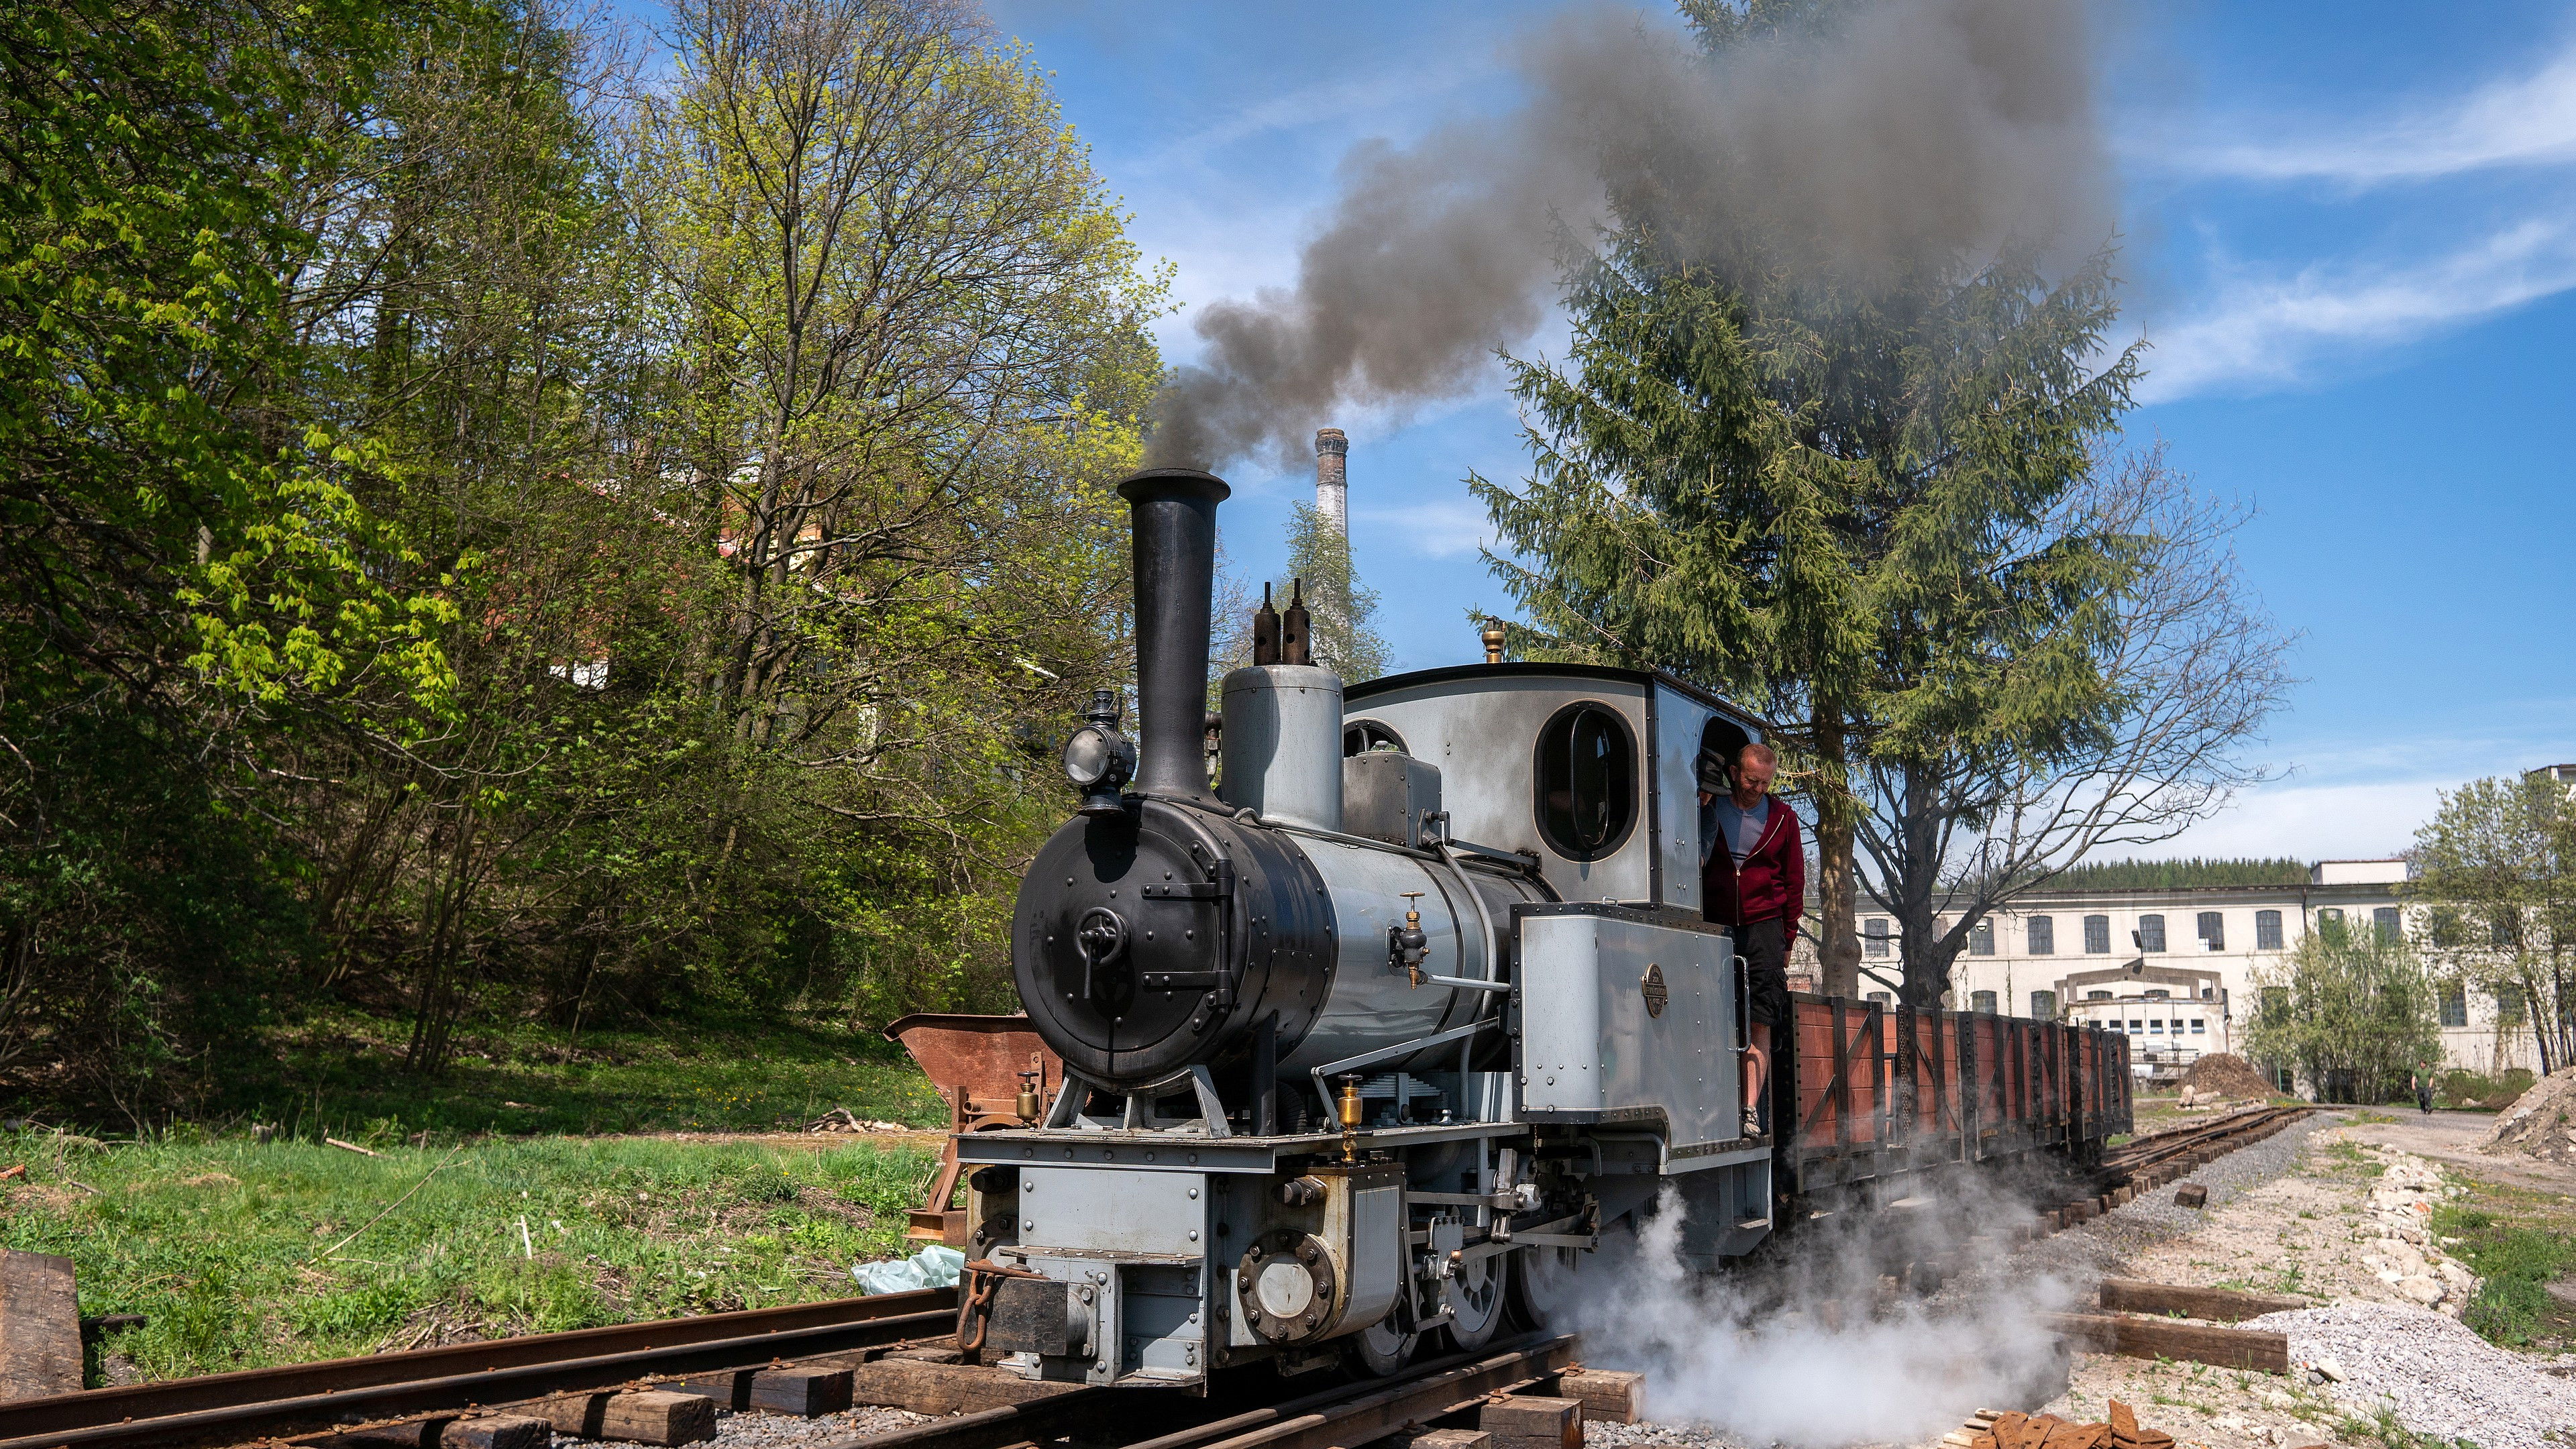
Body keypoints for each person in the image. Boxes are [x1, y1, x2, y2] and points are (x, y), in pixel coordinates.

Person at [1700, 741, 1804, 1140]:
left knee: (1760, 1017)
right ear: (1734, 773)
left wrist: (1788, 937)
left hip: (1765, 925)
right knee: (1712, 1013)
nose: (1757, 788)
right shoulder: (1709, 809)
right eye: (1750, 779)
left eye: (1764, 782)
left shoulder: (1784, 819)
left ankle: (1748, 1110)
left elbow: (1794, 882)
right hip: (1717, 921)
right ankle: (1712, 1101)